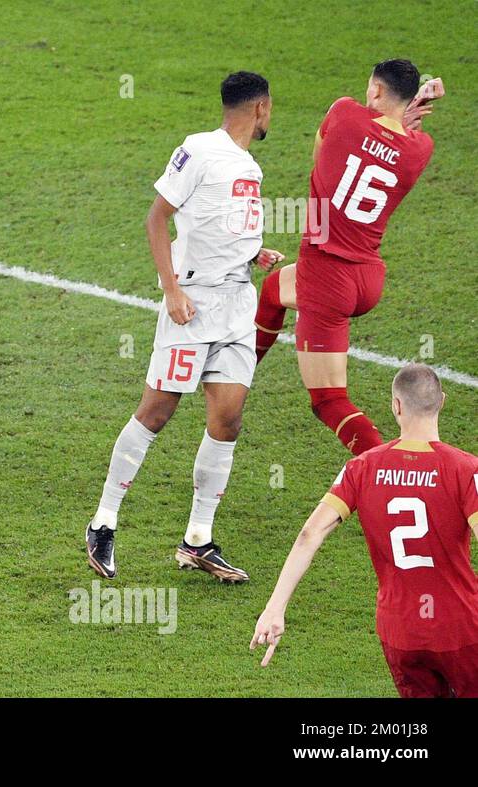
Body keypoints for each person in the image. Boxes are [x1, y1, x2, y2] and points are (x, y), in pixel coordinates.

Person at [86, 72, 281, 583]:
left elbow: (219, 224)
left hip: (239, 306)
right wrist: (171, 290)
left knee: (228, 420)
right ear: (260, 107)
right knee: (156, 413)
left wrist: (252, 253)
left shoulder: (249, 167)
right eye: (270, 109)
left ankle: (198, 539)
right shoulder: (198, 150)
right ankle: (103, 523)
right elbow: (157, 219)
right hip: (192, 307)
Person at [252, 364, 478, 697]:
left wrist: (275, 608)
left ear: (396, 406)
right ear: (441, 402)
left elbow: (309, 535)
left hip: (400, 630)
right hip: (459, 627)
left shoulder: (361, 467)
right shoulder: (465, 469)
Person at [253, 61, 443, 455]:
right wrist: (406, 117)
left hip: (326, 277)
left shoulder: (344, 112)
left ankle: (396, 467)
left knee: (329, 402)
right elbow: (390, 141)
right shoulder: (420, 148)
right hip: (366, 276)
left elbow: (321, 156)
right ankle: (237, 373)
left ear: (374, 90)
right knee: (274, 290)